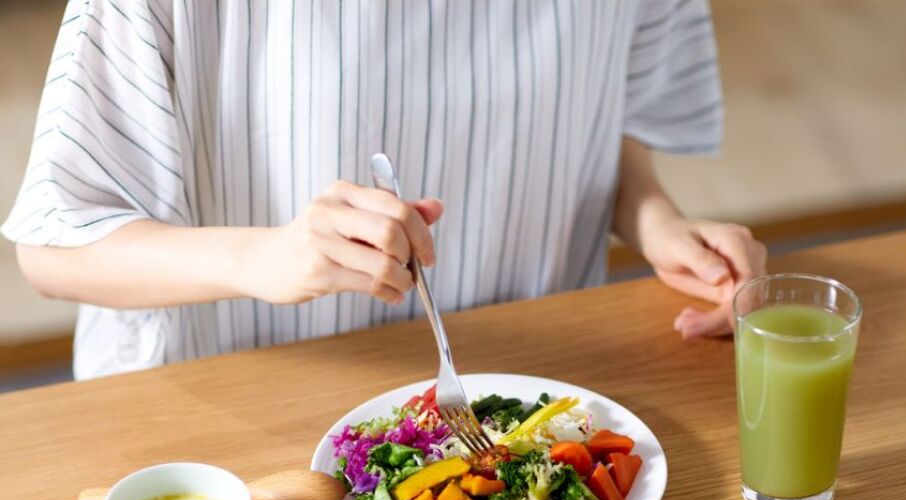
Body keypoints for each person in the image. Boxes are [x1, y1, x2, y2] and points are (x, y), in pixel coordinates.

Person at [3, 0, 766, 380]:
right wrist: (262, 258)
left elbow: (603, 108)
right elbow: (54, 243)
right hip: (251, 418)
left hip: (540, 391)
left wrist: (655, 219)